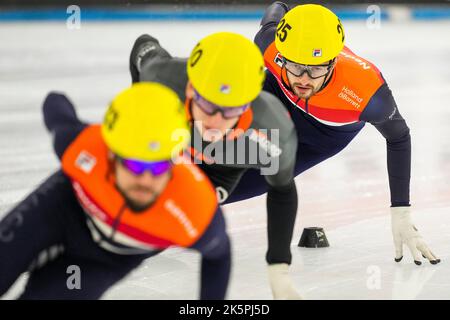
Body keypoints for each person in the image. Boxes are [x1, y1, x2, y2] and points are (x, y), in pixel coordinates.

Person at [228, 2, 439, 266]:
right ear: (282, 55)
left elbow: (398, 138)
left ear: (332, 62)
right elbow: (277, 8)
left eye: (316, 69)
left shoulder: (368, 93)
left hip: (322, 138)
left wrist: (401, 211)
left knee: (246, 181)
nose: (304, 79)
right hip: (276, 97)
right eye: (295, 66)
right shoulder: (269, 44)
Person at [0, 82, 231, 299]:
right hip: (58, 212)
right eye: (134, 164)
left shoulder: (194, 207)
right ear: (111, 155)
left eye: (159, 166)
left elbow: (219, 255)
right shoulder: (86, 147)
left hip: (99, 262)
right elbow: (56, 107)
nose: (146, 179)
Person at [129, 32, 302, 299]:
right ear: (189, 89)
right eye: (208, 104)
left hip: (222, 170)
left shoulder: (273, 129)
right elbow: (144, 42)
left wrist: (278, 268)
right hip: (173, 146)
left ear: (248, 105)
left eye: (231, 110)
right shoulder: (162, 76)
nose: (217, 120)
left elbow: (282, 191)